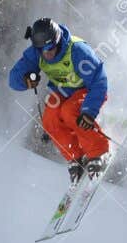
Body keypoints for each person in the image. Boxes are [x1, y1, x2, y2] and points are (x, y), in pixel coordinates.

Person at [9, 17, 110, 181]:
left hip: (88, 89)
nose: (47, 54)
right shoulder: (37, 51)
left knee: (69, 111)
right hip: (63, 91)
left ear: (57, 41)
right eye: (42, 50)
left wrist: (89, 111)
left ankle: (99, 151)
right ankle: (75, 157)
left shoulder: (77, 50)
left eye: (50, 49)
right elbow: (13, 79)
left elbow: (99, 81)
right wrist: (24, 79)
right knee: (50, 119)